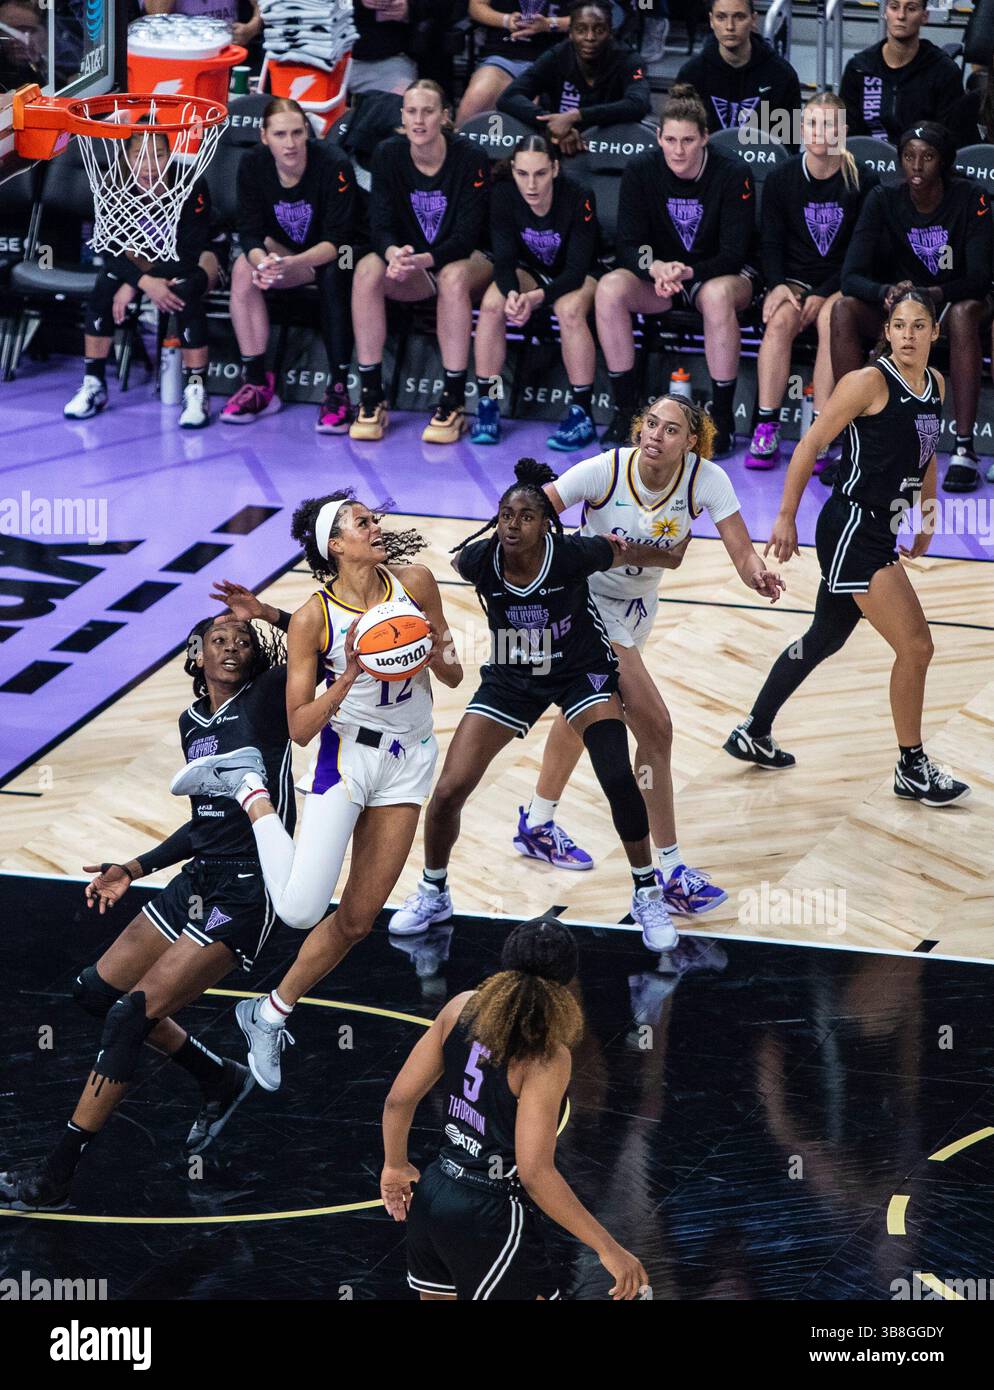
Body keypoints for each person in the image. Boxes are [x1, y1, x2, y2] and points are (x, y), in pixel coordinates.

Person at [0, 602, 294, 1211]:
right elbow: (204, 824)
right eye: (219, 638)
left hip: (248, 888)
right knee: (94, 993)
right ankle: (217, 1076)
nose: (233, 647)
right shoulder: (193, 722)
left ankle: (56, 1175)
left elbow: (316, 639)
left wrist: (265, 612)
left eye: (243, 640)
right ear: (197, 654)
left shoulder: (266, 704)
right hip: (201, 875)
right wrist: (132, 867)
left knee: (129, 1017)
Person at [169, 492, 464, 1092]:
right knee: (303, 910)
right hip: (345, 758)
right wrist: (352, 672)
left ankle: (268, 1012)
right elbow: (301, 728)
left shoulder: (416, 581)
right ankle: (250, 789)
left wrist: (433, 645)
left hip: (410, 760)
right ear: (336, 543)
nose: (376, 526)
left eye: (373, 519)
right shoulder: (311, 618)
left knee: (356, 921)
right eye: (363, 522)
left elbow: (455, 673)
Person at [388, 459, 680, 952]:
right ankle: (433, 890)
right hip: (511, 676)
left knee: (615, 776)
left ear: (547, 524)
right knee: (448, 790)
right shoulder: (477, 561)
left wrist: (671, 558)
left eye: (525, 516)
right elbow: (426, 576)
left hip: (579, 670)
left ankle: (647, 891)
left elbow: (624, 550)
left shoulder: (573, 554)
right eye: (505, 515)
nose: (512, 525)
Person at [515, 396, 783, 913]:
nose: (656, 434)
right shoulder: (606, 470)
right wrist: (540, 566)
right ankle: (671, 868)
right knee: (656, 728)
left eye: (671, 429)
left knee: (582, 716)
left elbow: (741, 548)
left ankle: (538, 822)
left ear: (691, 442)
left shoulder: (707, 480)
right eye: (651, 424)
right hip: (586, 602)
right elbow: (530, 509)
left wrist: (757, 574)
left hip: (639, 607)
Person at [724, 286, 971, 808]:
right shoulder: (867, 382)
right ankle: (911, 766)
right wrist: (787, 516)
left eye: (918, 326)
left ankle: (754, 728)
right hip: (853, 526)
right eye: (899, 325)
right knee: (917, 647)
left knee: (823, 637)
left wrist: (926, 517)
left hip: (881, 525)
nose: (908, 335)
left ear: (935, 332)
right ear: (886, 331)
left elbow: (926, 457)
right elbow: (812, 443)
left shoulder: (937, 386)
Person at [381, 916, 650, 1300]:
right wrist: (608, 1247)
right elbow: (535, 1173)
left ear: (505, 962)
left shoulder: (460, 1007)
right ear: (567, 983)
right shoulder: (545, 1056)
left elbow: (398, 1099)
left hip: (435, 1193)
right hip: (489, 1213)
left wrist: (394, 1165)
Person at [832, 122, 993, 495]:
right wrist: (886, 291)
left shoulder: (972, 198)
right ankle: (851, 439)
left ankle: (964, 448)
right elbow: (850, 276)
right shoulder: (883, 197)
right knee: (843, 309)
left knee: (963, 313)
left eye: (928, 157)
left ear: (944, 162)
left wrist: (928, 293)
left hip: (953, 299)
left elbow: (981, 278)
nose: (917, 166)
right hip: (904, 308)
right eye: (909, 157)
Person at [597, 83, 757, 454]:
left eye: (687, 140)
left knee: (717, 296)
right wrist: (654, 267)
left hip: (717, 274)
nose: (678, 150)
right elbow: (626, 245)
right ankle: (625, 410)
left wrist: (686, 272)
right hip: (661, 278)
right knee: (609, 290)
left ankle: (721, 418)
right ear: (658, 137)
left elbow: (734, 253)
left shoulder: (732, 173)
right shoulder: (640, 170)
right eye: (670, 140)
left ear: (705, 137)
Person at [349, 79, 492, 445]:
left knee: (453, 278)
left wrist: (423, 259)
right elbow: (378, 224)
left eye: (427, 111)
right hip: (413, 262)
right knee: (366, 269)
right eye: (411, 111)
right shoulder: (387, 154)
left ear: (444, 116)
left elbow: (467, 235)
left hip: (468, 258)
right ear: (402, 117)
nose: (418, 120)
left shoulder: (469, 156)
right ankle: (370, 395)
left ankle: (453, 399)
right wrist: (393, 253)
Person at [746, 92, 879, 472]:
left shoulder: (864, 180)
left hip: (844, 279)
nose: (821, 133)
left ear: (844, 131)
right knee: (779, 321)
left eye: (830, 125)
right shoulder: (780, 178)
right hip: (794, 280)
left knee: (829, 319)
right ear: (801, 129)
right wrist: (777, 286)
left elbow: (861, 251)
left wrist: (823, 293)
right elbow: (769, 241)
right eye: (813, 124)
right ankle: (766, 424)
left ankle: (822, 432)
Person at [63, 127, 219, 429]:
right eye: (140, 156)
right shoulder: (113, 184)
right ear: (127, 158)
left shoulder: (191, 183)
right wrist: (142, 282)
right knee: (105, 282)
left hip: (200, 260)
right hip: (144, 266)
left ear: (170, 155)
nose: (150, 165)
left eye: (158, 155)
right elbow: (110, 252)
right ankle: (94, 383)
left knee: (183, 287)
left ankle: (196, 389)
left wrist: (133, 283)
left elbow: (188, 253)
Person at [220, 98, 357, 434]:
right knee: (243, 269)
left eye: (298, 133)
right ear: (265, 136)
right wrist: (263, 263)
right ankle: (257, 385)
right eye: (281, 134)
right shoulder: (253, 164)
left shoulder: (333, 163)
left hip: (339, 251)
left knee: (334, 273)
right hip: (283, 252)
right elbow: (249, 233)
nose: (291, 143)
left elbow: (338, 239)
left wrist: (292, 263)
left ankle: (338, 390)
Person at [472, 134, 601, 451]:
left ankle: (581, 411)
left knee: (568, 310)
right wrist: (514, 295)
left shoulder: (579, 195)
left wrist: (536, 298)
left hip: (583, 272)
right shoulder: (502, 195)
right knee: (493, 304)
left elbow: (574, 270)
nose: (531, 185)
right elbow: (503, 260)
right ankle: (489, 403)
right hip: (530, 272)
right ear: (513, 170)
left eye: (540, 174)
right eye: (523, 174)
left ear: (555, 169)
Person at [497, 0, 651, 157]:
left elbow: (639, 104)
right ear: (570, 33)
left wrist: (576, 116)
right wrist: (553, 124)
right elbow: (509, 97)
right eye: (581, 30)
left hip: (613, 147)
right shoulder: (557, 56)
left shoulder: (629, 60)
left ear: (610, 33)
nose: (590, 37)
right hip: (563, 144)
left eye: (599, 30)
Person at [840, 0, 966, 146]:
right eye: (894, 7)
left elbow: (951, 140)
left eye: (911, 9)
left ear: (925, 16)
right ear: (885, 12)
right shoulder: (859, 68)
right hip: (867, 162)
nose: (901, 15)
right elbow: (843, 132)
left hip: (921, 164)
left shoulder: (944, 72)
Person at [675, 0, 801, 137]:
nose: (730, 26)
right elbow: (679, 135)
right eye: (721, 17)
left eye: (739, 17)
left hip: (762, 157)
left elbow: (788, 144)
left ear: (753, 20)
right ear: (711, 21)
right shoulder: (691, 74)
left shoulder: (782, 75)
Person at [456, 1, 570, 128]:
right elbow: (476, 6)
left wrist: (549, 25)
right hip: (503, 55)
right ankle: (456, 144)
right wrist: (505, 20)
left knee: (530, 109)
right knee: (477, 98)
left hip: (549, 59)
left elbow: (589, 16)